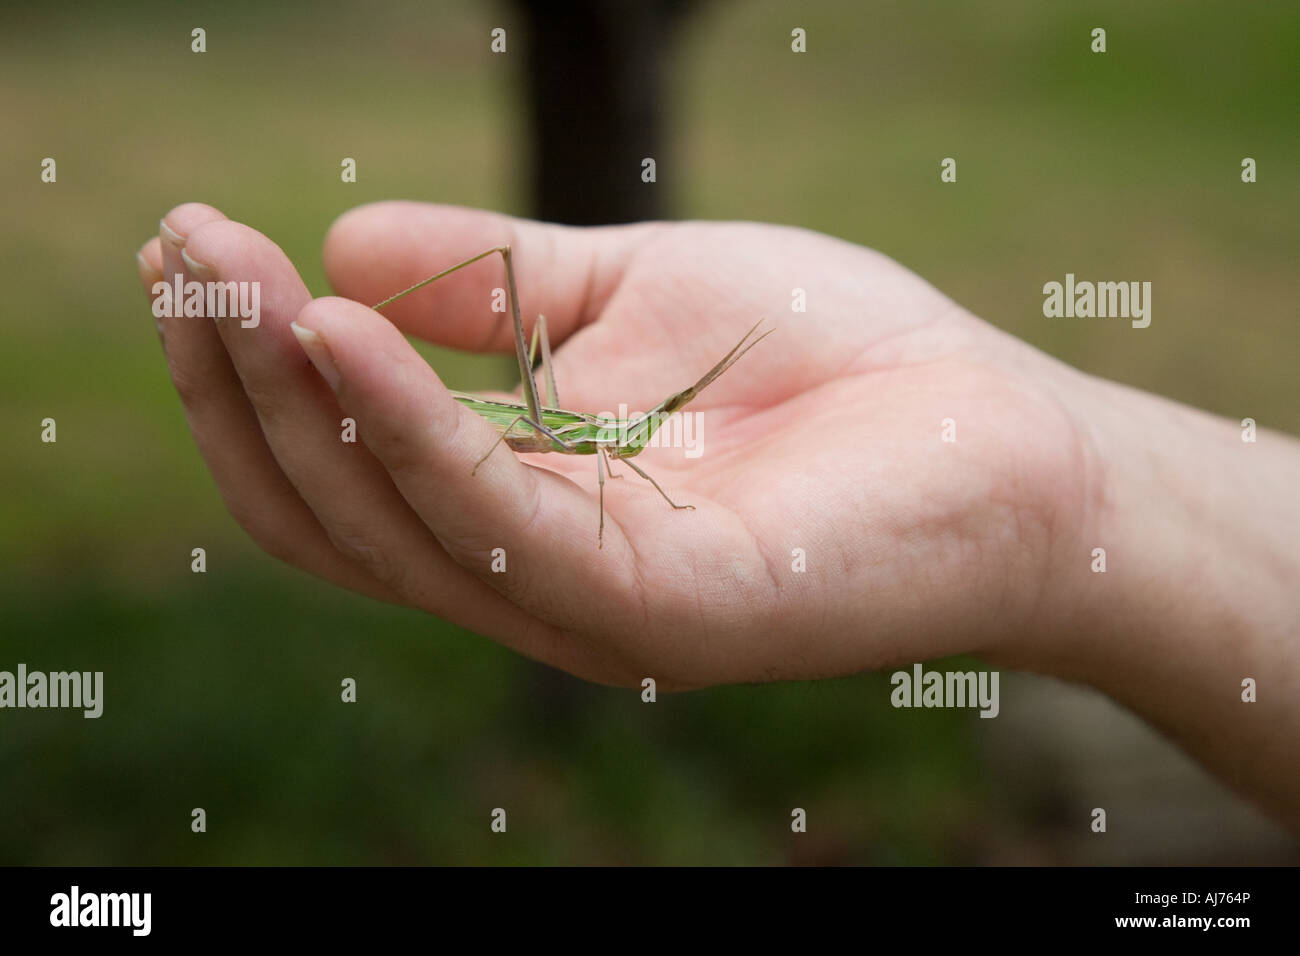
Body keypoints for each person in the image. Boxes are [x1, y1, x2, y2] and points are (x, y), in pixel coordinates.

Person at [136, 201, 1300, 831]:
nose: (673, 415)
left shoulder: (635, 440)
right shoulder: (594, 429)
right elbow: (593, 456)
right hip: (520, 417)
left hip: (567, 437)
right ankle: (367, 335)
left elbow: (623, 465)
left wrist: (1073, 495)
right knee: (468, 377)